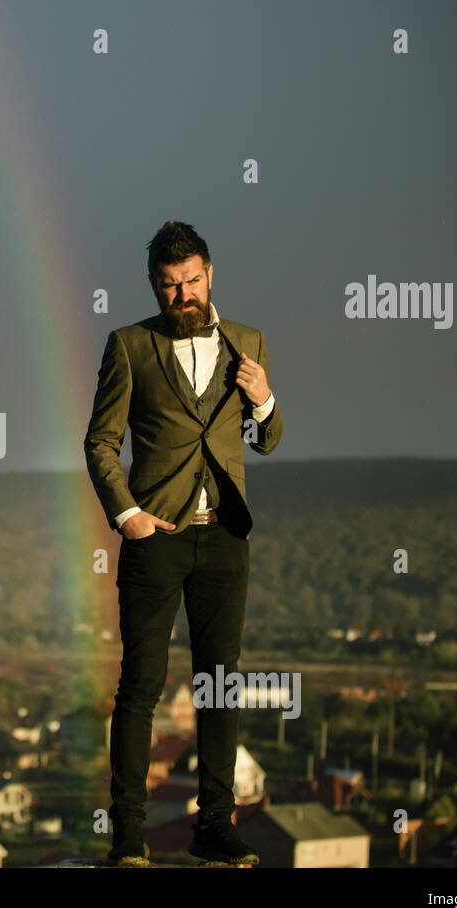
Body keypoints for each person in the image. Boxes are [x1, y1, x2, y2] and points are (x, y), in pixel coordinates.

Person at [83, 221, 284, 866]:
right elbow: (100, 442)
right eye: (169, 285)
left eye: (192, 280)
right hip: (155, 539)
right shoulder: (130, 345)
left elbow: (268, 439)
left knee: (218, 685)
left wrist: (263, 399)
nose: (183, 293)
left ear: (210, 274)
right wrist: (127, 515)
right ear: (154, 285)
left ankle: (215, 827)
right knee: (140, 686)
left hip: (224, 539)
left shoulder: (247, 342)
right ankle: (127, 837)